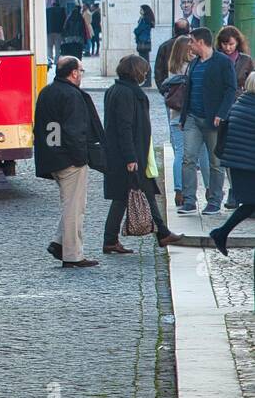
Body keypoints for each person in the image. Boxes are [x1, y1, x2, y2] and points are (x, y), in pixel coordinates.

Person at [101, 56, 181, 253]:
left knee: (126, 195)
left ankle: (112, 240)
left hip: (128, 153)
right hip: (131, 154)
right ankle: (162, 233)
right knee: (139, 192)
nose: (146, 74)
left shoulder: (116, 90)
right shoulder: (128, 94)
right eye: (144, 71)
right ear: (136, 72)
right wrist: (130, 157)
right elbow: (124, 127)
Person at [33, 56, 104, 267]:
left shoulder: (46, 92)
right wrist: (81, 158)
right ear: (73, 73)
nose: (81, 74)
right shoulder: (72, 95)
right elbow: (75, 131)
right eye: (81, 71)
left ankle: (59, 243)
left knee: (70, 204)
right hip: (69, 159)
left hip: (51, 156)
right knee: (75, 208)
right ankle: (73, 255)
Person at [179, 27, 236, 215]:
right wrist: (183, 116)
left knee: (215, 162)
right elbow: (188, 91)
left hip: (213, 121)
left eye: (191, 41)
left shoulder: (223, 62)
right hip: (193, 119)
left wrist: (222, 113)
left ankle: (214, 201)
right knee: (188, 159)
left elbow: (230, 89)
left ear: (201, 42)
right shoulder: (194, 63)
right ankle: (188, 200)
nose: (189, 44)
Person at [160, 35, 209, 209]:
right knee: (203, 153)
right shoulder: (194, 67)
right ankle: (210, 189)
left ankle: (179, 192)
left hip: (176, 115)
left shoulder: (173, 67)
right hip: (192, 116)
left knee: (181, 153)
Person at [211, 73, 255, 256]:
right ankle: (221, 233)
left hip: (240, 164)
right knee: (250, 204)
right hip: (248, 165)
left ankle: (221, 233)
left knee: (250, 204)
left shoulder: (241, 103)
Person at [154, 19, 190, 90]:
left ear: (174, 30)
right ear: (189, 29)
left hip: (170, 88)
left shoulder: (164, 46)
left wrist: (162, 89)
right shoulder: (193, 45)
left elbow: (158, 70)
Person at [216, 25, 254, 91]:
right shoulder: (215, 59)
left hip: (239, 99)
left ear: (237, 43)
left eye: (231, 44)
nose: (228, 48)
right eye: (224, 44)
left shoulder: (246, 60)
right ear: (220, 43)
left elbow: (252, 83)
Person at [134, 5, 155, 82]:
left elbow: (138, 30)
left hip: (143, 42)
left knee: (144, 61)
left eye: (141, 9)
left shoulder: (145, 19)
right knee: (145, 61)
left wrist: (135, 31)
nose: (140, 11)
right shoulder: (145, 19)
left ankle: (147, 80)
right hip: (145, 42)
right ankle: (147, 79)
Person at [46, 0, 64, 67]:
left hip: (49, 31)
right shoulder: (62, 10)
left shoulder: (48, 10)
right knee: (57, 47)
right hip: (59, 31)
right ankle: (56, 61)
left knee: (49, 47)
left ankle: (50, 60)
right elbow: (63, 21)